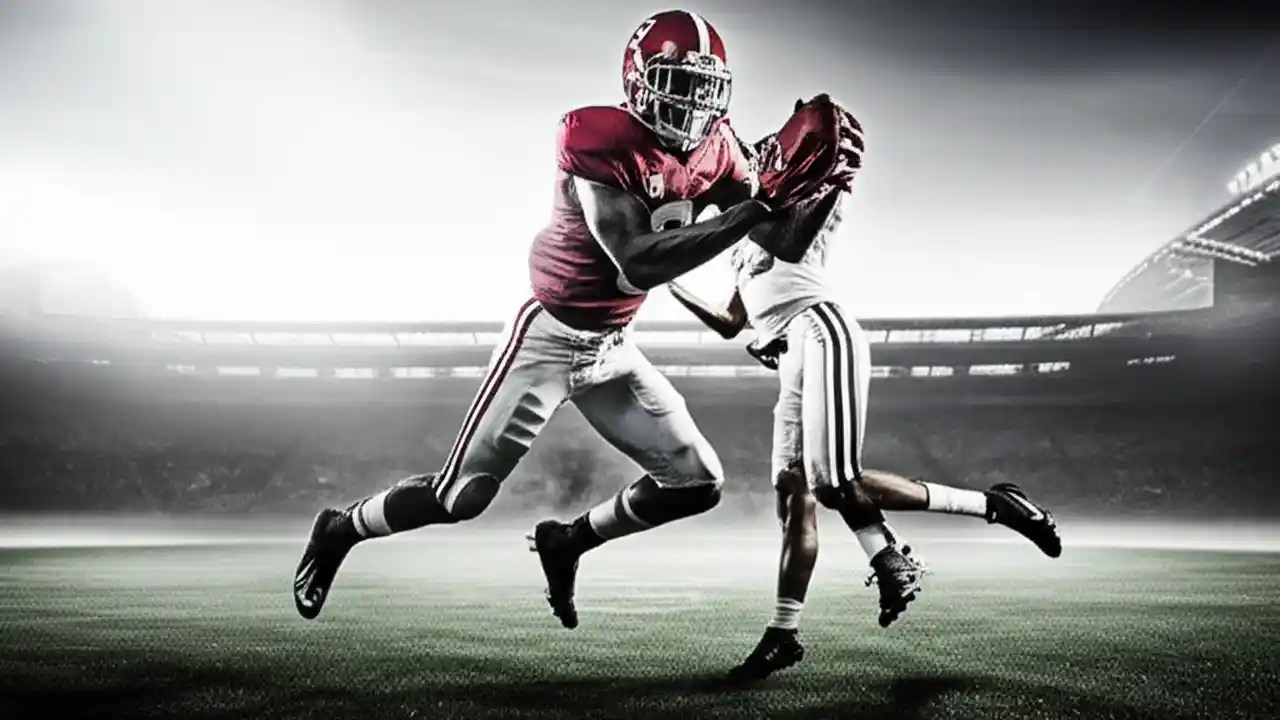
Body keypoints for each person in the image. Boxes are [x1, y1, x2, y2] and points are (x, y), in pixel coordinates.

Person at [292, 10, 822, 625]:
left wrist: (820, 190)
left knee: (697, 483)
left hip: (614, 344)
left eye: (704, 88)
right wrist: (755, 206)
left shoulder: (719, 149)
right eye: (676, 82)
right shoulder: (598, 138)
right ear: (639, 80)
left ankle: (567, 542)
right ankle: (340, 529)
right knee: (459, 497)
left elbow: (780, 240)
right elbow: (638, 259)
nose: (691, 102)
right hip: (548, 337)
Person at [668, 95, 1062, 681]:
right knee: (792, 494)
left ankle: (991, 507)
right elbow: (733, 320)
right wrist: (665, 275)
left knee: (835, 482)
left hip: (823, 329)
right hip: (791, 352)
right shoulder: (749, 232)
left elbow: (793, 244)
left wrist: (737, 205)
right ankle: (785, 632)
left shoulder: (812, 190)